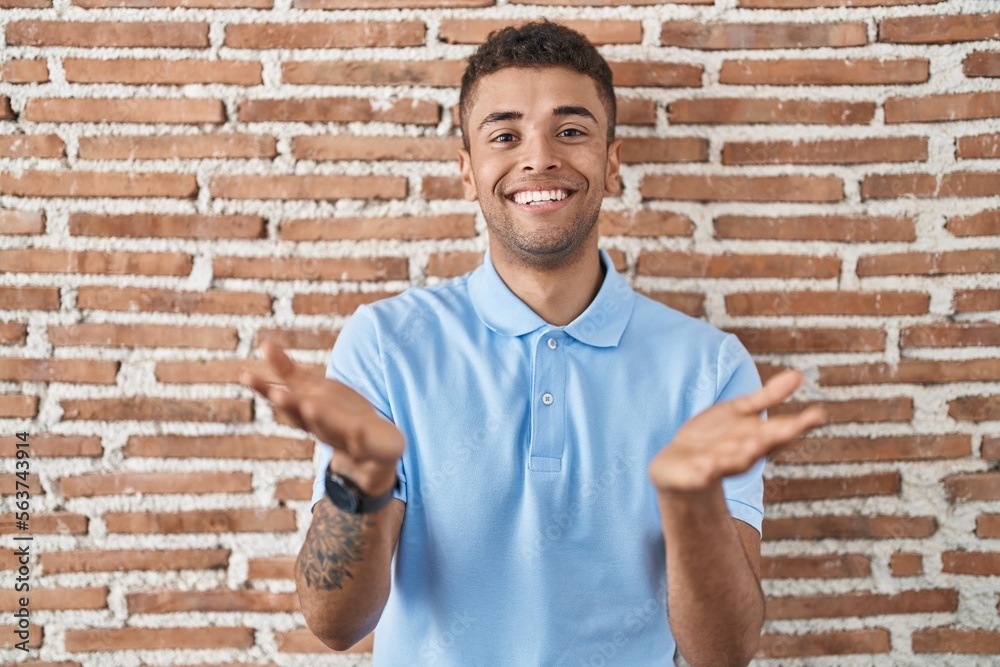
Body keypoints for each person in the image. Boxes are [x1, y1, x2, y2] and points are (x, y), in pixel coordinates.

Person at [242, 20, 825, 667]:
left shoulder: (710, 367)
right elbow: (334, 625)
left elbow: (726, 653)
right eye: (505, 134)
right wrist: (362, 478)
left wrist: (689, 504)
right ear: (468, 170)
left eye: (570, 130)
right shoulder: (384, 344)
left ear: (611, 162)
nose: (539, 156)